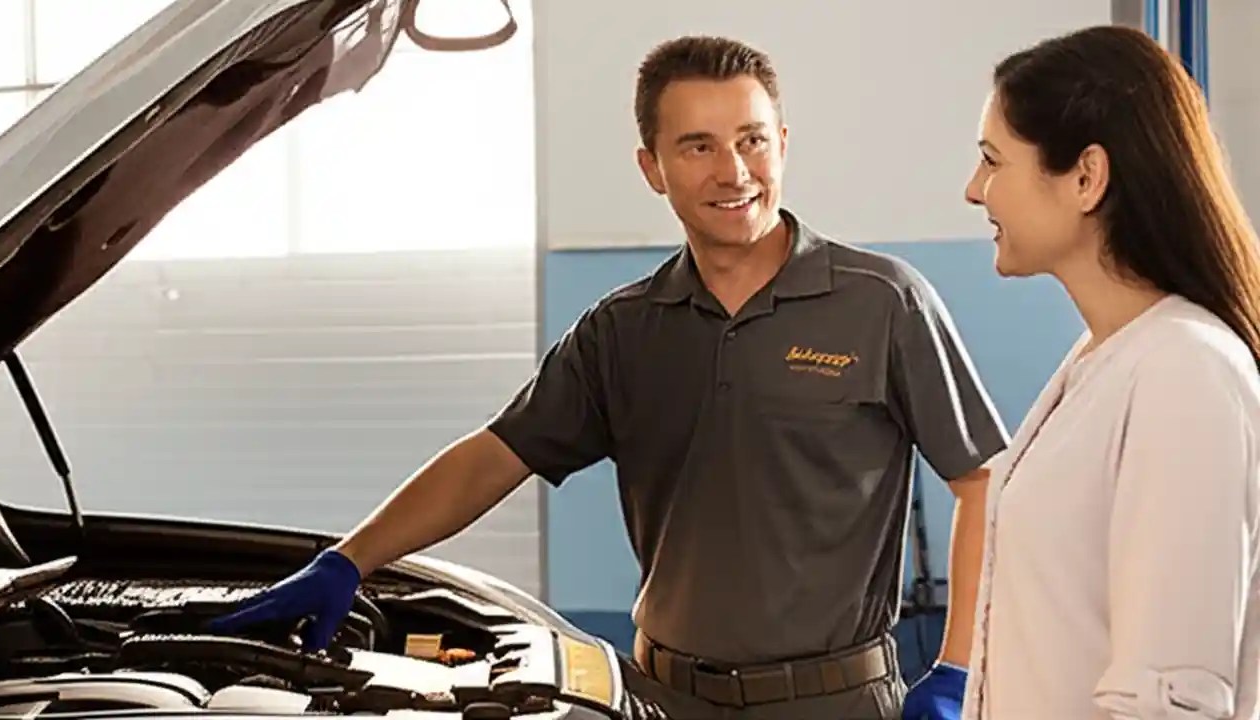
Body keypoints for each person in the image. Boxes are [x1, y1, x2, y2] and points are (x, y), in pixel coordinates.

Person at [209, 35, 1008, 719]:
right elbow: (494, 455)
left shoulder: (882, 301)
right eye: (698, 145)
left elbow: (983, 482)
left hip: (835, 703)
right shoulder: (623, 329)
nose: (735, 170)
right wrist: (352, 559)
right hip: (660, 696)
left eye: (753, 139)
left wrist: (960, 667)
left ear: (783, 144)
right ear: (652, 167)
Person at [958, 25, 1260, 720]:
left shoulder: (1185, 373)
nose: (976, 191)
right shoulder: (1105, 357)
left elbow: (1169, 699)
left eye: (992, 161)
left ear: (1086, 177)